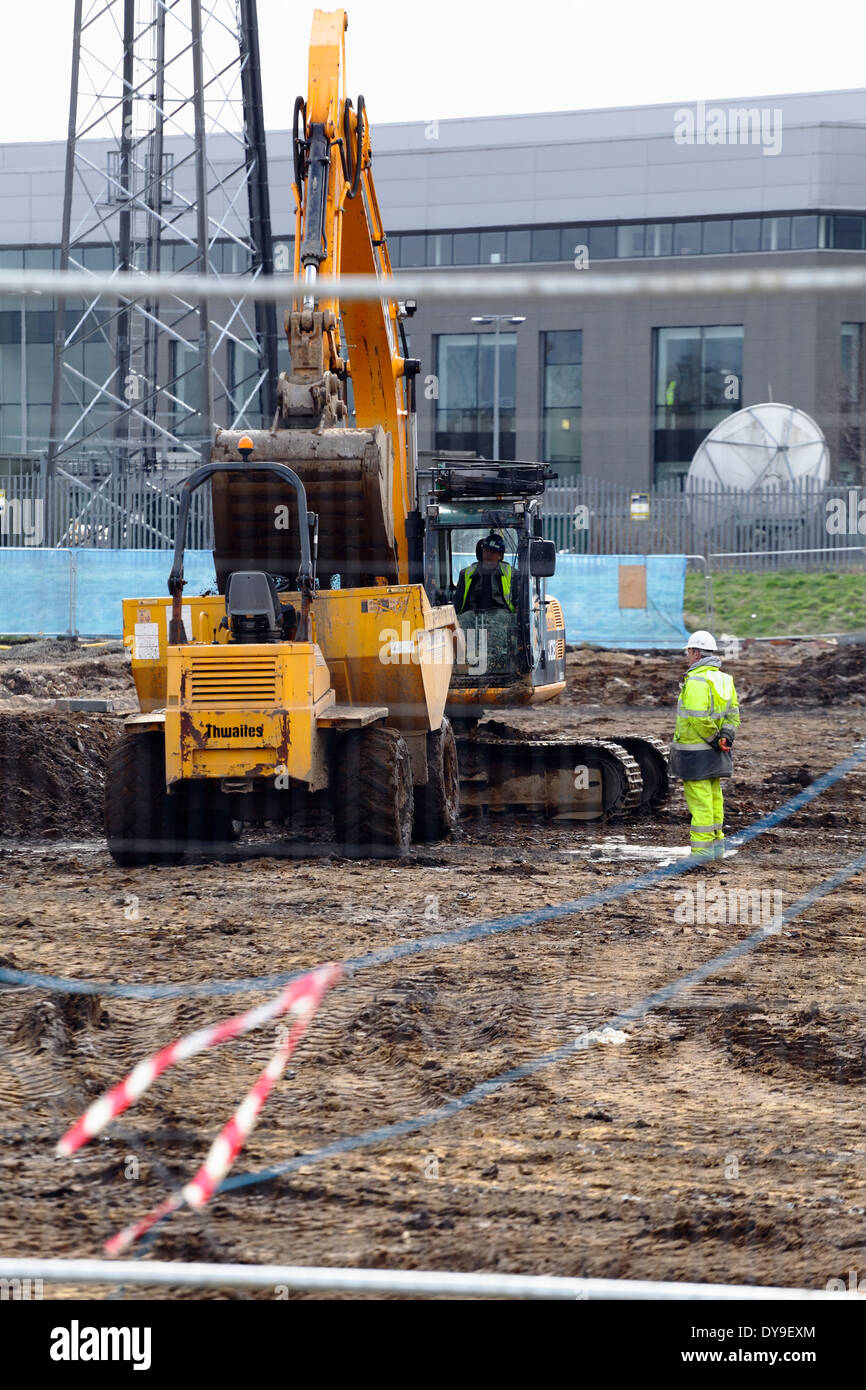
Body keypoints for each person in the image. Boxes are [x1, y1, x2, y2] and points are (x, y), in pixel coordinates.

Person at [669, 630, 740, 861]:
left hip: (695, 753)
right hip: (716, 752)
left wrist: (712, 738)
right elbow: (733, 714)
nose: (688, 656)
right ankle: (717, 848)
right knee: (714, 798)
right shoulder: (724, 679)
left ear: (696, 653)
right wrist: (725, 738)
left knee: (700, 803)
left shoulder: (697, 680)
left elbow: (697, 717)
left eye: (689, 652)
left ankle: (701, 853)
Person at [454, 533, 515, 615]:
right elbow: (458, 601)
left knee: (500, 615)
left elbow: (518, 601)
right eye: (487, 550)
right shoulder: (465, 573)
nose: (489, 554)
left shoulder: (512, 573)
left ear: (500, 555)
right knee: (465, 617)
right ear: (482, 552)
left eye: (493, 552)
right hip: (473, 613)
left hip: (500, 613)